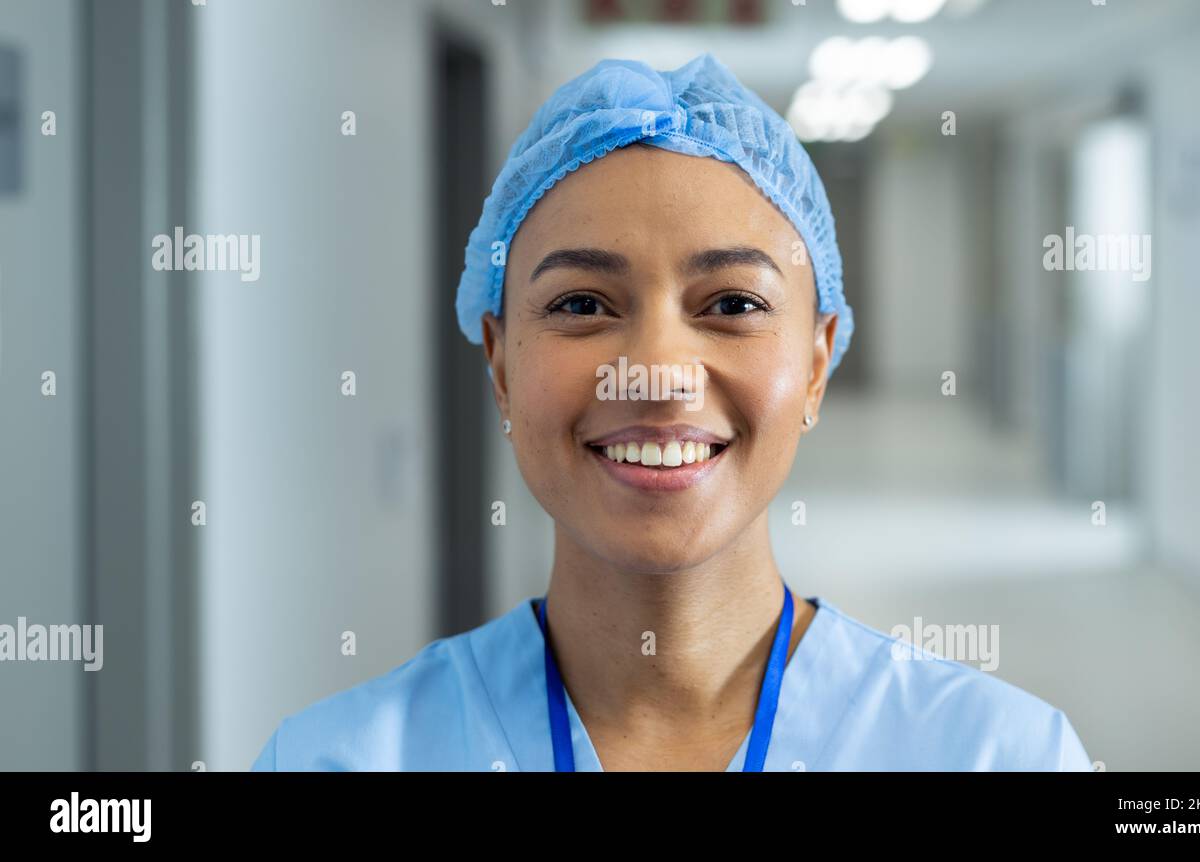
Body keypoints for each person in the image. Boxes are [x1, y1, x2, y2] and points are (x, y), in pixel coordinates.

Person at [252, 53, 1092, 772]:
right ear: (501, 362)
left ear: (814, 361)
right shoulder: (342, 757)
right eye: (582, 304)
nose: (655, 375)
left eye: (731, 302)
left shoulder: (998, 754)